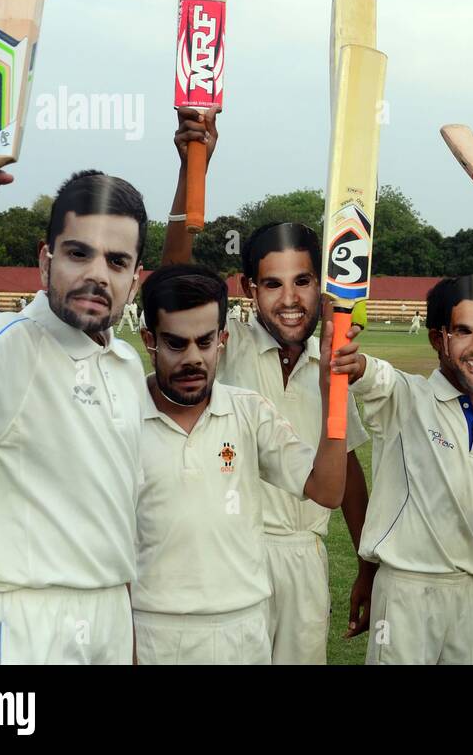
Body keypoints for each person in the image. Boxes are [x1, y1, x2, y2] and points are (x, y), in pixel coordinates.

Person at [0, 166, 148, 664]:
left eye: (116, 261)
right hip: (21, 622)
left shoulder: (125, 364)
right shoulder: (9, 344)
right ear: (47, 258)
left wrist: (122, 618)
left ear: (134, 277)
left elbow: (115, 513)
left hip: (109, 609)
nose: (97, 274)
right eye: (79, 253)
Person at [163, 109, 370, 664]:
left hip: (306, 557)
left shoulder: (335, 360)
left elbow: (346, 464)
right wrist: (192, 169)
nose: (290, 299)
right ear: (248, 287)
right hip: (230, 551)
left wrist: (367, 564)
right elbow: (172, 286)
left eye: (303, 281)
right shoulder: (221, 340)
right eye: (272, 284)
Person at [131, 265, 348, 664]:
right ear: (150, 340)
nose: (194, 359)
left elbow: (328, 490)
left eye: (205, 342)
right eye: (176, 344)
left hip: (243, 630)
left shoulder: (249, 412)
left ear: (223, 339)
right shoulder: (122, 417)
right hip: (153, 630)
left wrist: (333, 395)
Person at [338, 275, 473, 664]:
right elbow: (372, 375)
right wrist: (353, 360)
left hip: (466, 591)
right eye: (463, 331)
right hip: (405, 590)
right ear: (437, 339)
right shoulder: (408, 396)